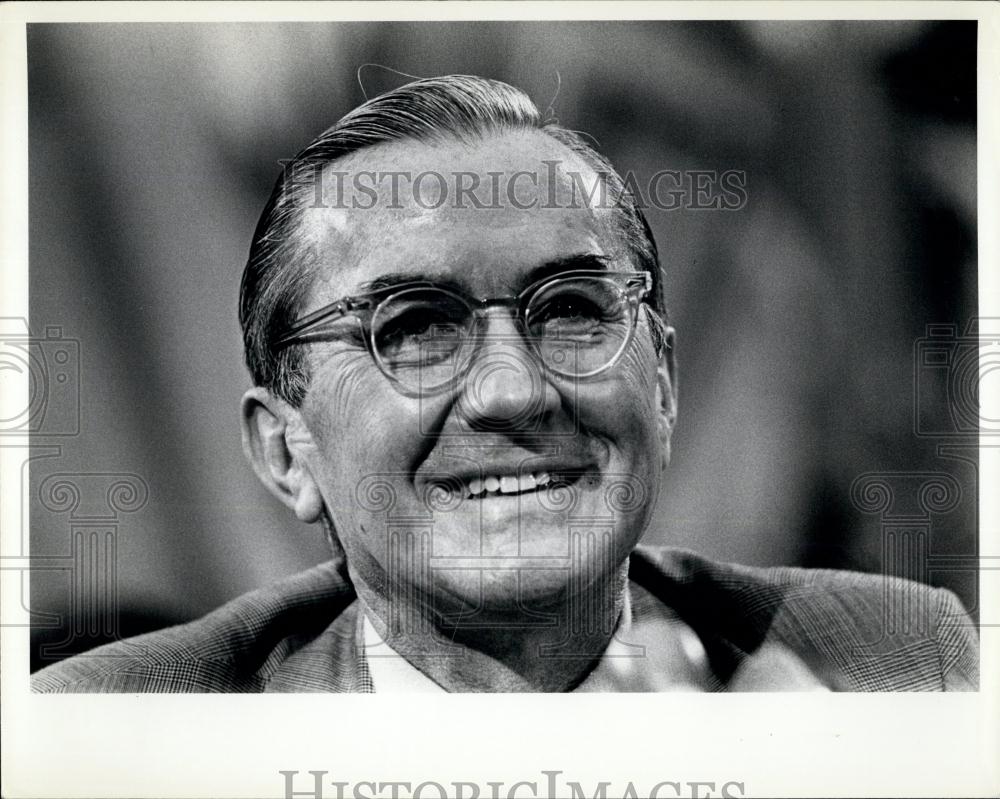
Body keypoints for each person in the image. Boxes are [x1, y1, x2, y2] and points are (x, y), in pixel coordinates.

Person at [32, 75, 978, 692]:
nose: (512, 392)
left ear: (667, 380)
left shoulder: (888, 664)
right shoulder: (114, 726)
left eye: (570, 309)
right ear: (287, 450)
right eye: (413, 329)